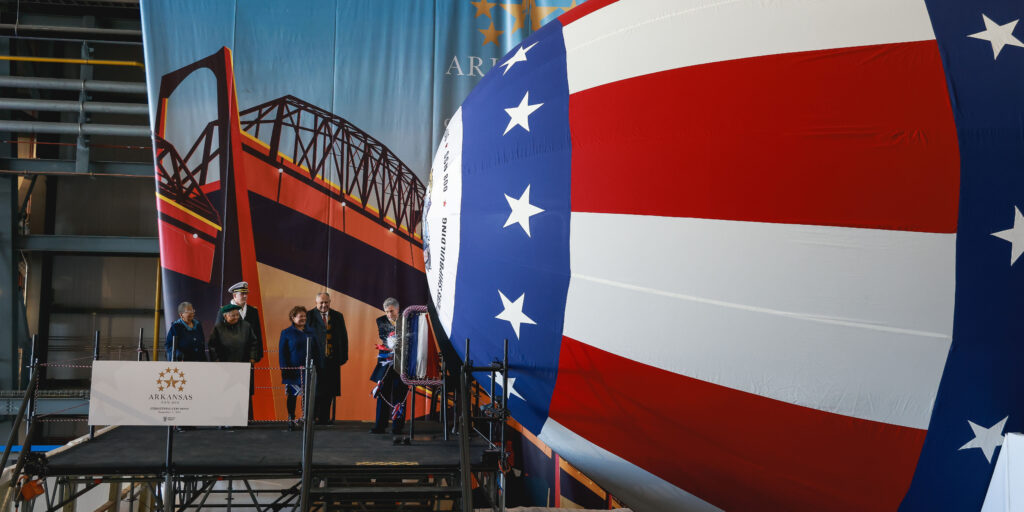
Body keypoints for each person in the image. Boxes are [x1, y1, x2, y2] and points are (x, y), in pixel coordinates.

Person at [305, 292, 349, 425]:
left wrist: (343, 357)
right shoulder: (309, 316)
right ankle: (311, 418)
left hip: (332, 360)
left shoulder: (338, 316)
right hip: (314, 360)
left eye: (326, 302)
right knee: (314, 390)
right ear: (316, 303)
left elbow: (344, 338)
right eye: (321, 303)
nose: (324, 305)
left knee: (329, 391)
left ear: (330, 302)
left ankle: (324, 418)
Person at [279, 306, 323, 428]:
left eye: (304, 316)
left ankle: (306, 420)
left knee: (308, 396)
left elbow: (318, 350)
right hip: (292, 371)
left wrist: (319, 367)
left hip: (309, 370)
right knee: (292, 396)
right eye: (300, 316)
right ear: (293, 318)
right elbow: (283, 353)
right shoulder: (286, 333)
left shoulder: (312, 331)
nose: (303, 318)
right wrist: (285, 370)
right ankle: (291, 419)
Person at [369, 297, 408, 434]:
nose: (389, 315)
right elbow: (384, 335)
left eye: (392, 311)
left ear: (398, 309)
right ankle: (380, 425)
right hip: (386, 362)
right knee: (383, 393)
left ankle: (398, 426)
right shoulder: (381, 320)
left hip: (401, 363)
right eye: (386, 312)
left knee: (400, 393)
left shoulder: (407, 319)